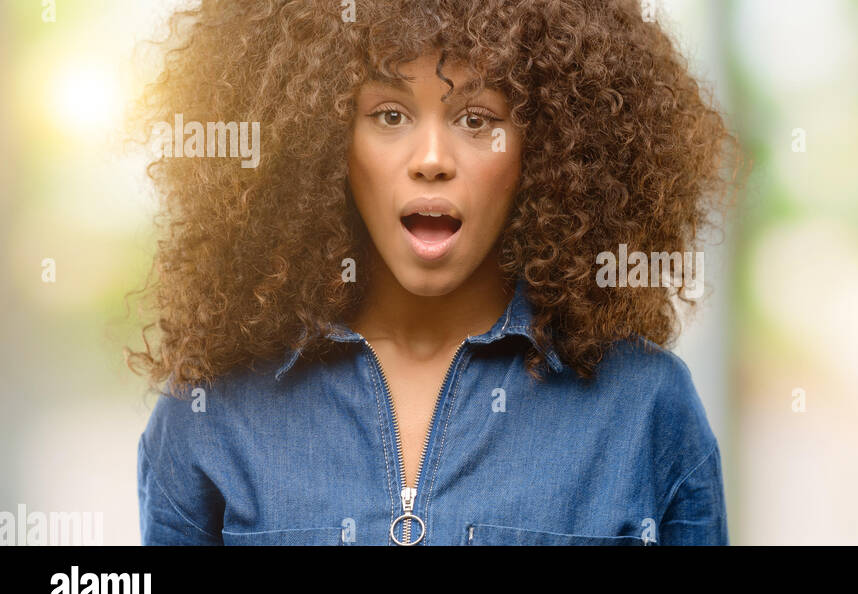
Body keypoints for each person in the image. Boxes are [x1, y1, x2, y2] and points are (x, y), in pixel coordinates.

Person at [126, 0, 741, 545]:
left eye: (477, 119)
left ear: (551, 147)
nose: (431, 160)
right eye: (389, 115)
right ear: (320, 140)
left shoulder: (645, 408)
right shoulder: (210, 413)